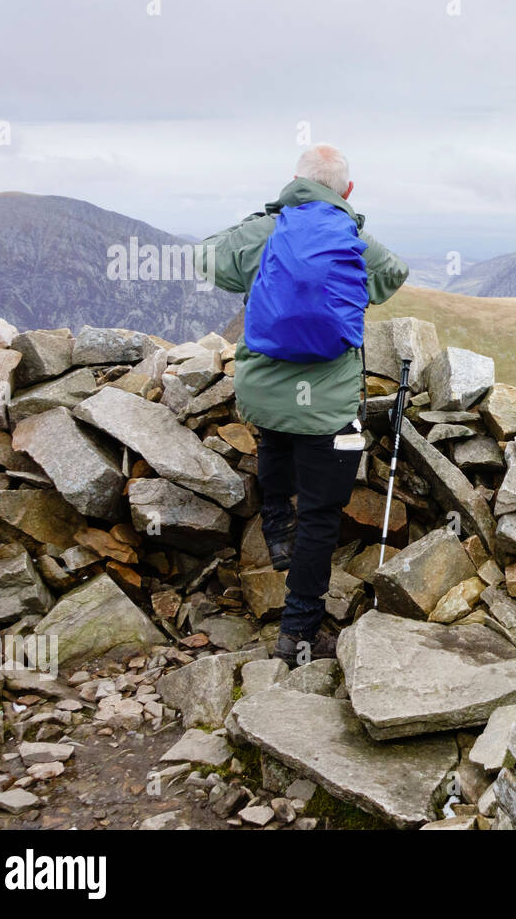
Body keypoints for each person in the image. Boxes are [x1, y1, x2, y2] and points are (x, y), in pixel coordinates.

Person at [200, 145, 408, 666]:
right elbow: (393, 274)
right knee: (320, 514)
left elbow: (206, 257)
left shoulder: (265, 231)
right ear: (348, 191)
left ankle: (275, 527)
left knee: (273, 432)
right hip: (327, 404)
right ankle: (298, 634)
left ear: (294, 181)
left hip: (263, 395)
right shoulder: (353, 238)